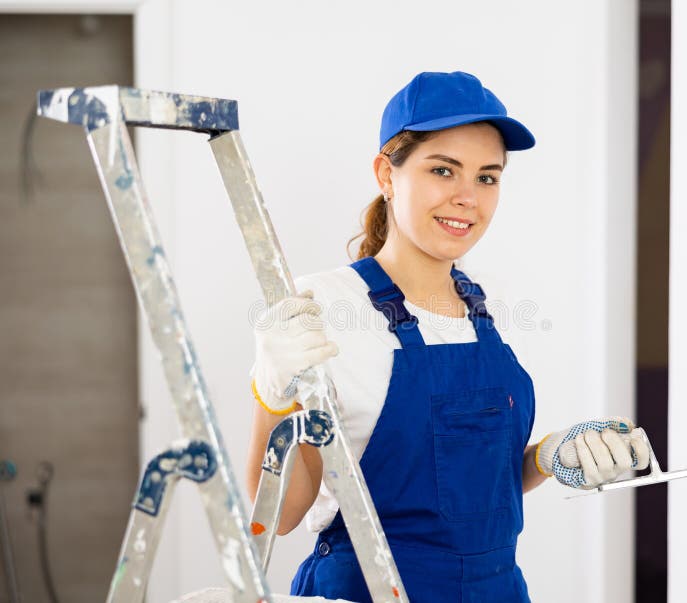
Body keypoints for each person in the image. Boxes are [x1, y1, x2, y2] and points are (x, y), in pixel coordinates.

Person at [246, 71, 650, 602]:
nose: (468, 198)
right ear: (386, 175)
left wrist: (550, 456)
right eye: (443, 170)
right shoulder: (322, 306)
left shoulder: (495, 304)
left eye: (488, 177)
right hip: (370, 589)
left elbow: (468, 485)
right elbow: (276, 517)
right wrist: (270, 397)